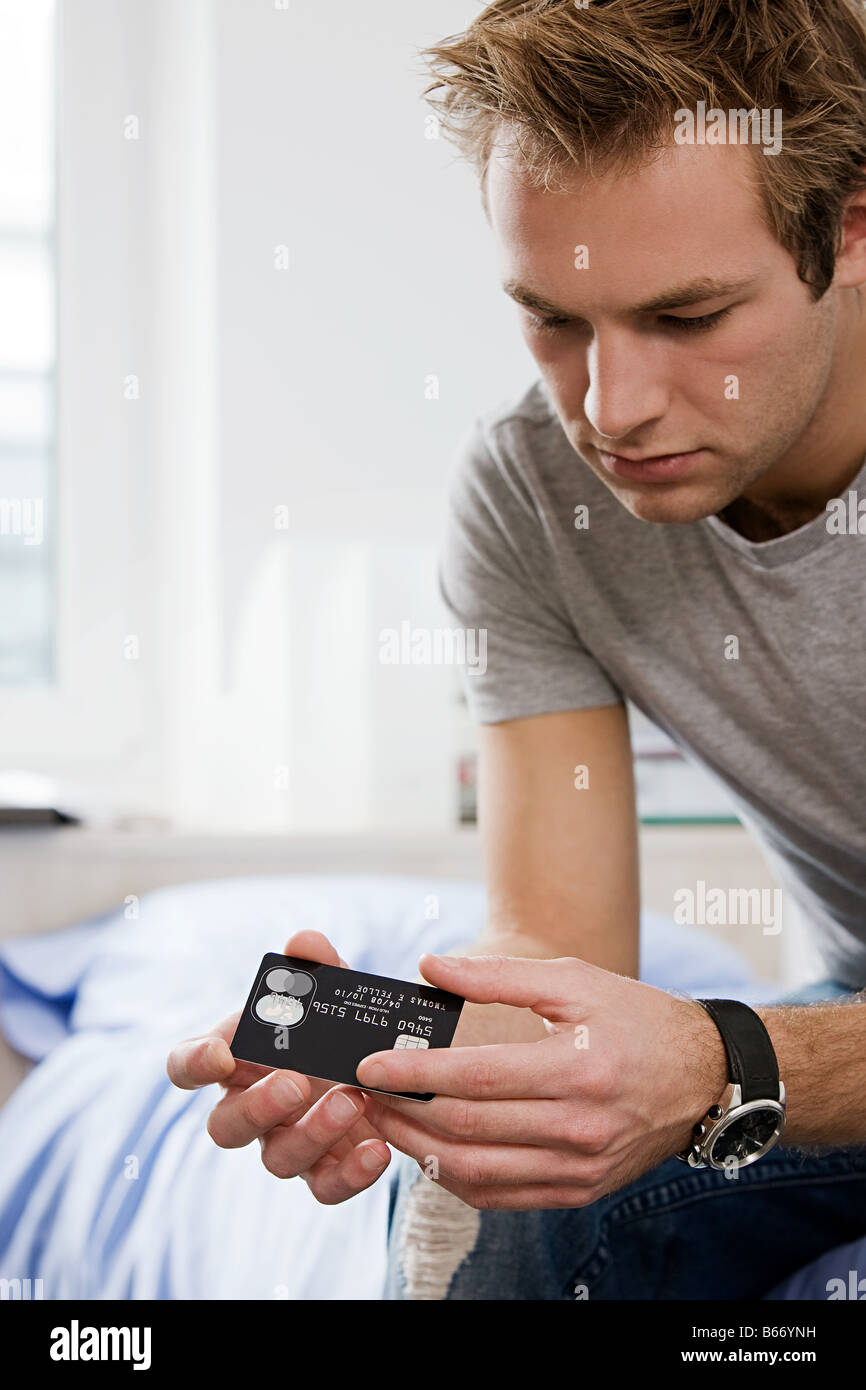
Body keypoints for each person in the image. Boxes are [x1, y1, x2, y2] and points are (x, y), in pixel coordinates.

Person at [168, 0, 866, 1299]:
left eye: (688, 316)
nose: (612, 409)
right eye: (553, 319)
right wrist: (411, 1063)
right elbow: (557, 959)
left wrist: (727, 1061)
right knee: (499, 1179)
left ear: (851, 229)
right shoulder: (534, 494)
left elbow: (728, 1064)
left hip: (813, 1060)